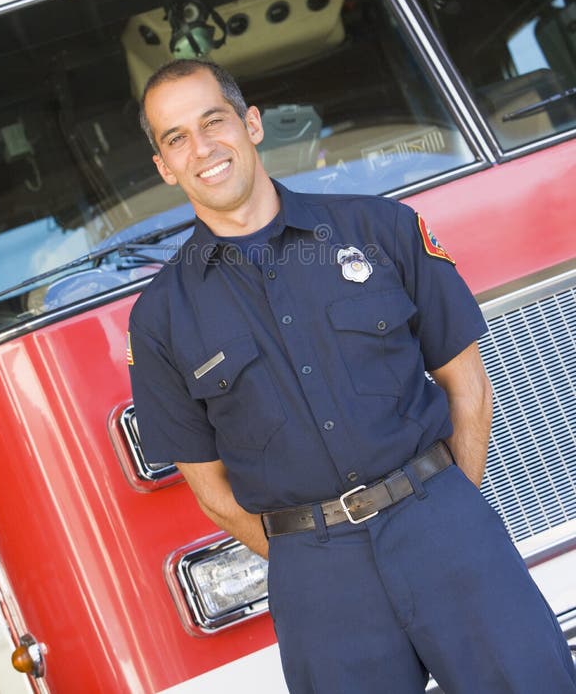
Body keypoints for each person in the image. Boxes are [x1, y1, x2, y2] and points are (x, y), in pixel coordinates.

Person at [128, 58, 576, 694]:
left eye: (213, 121)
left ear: (251, 124)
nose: (202, 148)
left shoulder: (379, 228)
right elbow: (212, 492)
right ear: (165, 167)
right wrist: (306, 552)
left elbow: (467, 383)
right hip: (317, 581)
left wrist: (451, 506)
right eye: (177, 139)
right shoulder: (159, 320)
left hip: (442, 528)